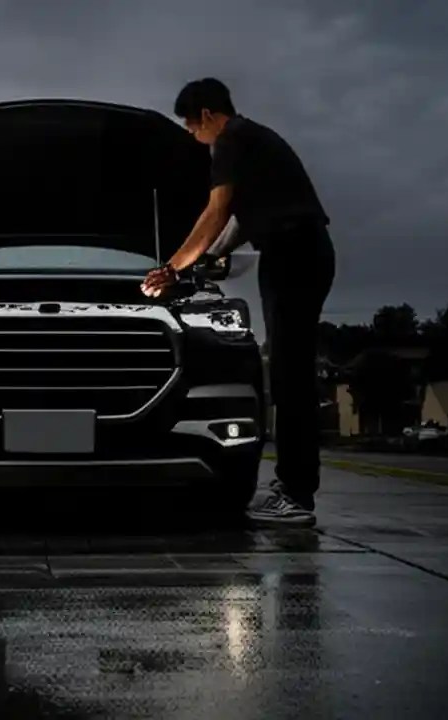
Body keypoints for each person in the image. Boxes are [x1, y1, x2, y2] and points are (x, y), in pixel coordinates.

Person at [142, 77, 336, 527]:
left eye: (193, 129)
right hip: (301, 251)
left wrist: (171, 269)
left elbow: (217, 212)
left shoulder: (230, 140)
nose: (195, 139)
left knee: (290, 376)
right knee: (289, 373)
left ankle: (295, 495)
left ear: (207, 116)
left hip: (294, 255)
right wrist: (204, 260)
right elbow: (237, 226)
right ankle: (294, 489)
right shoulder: (254, 140)